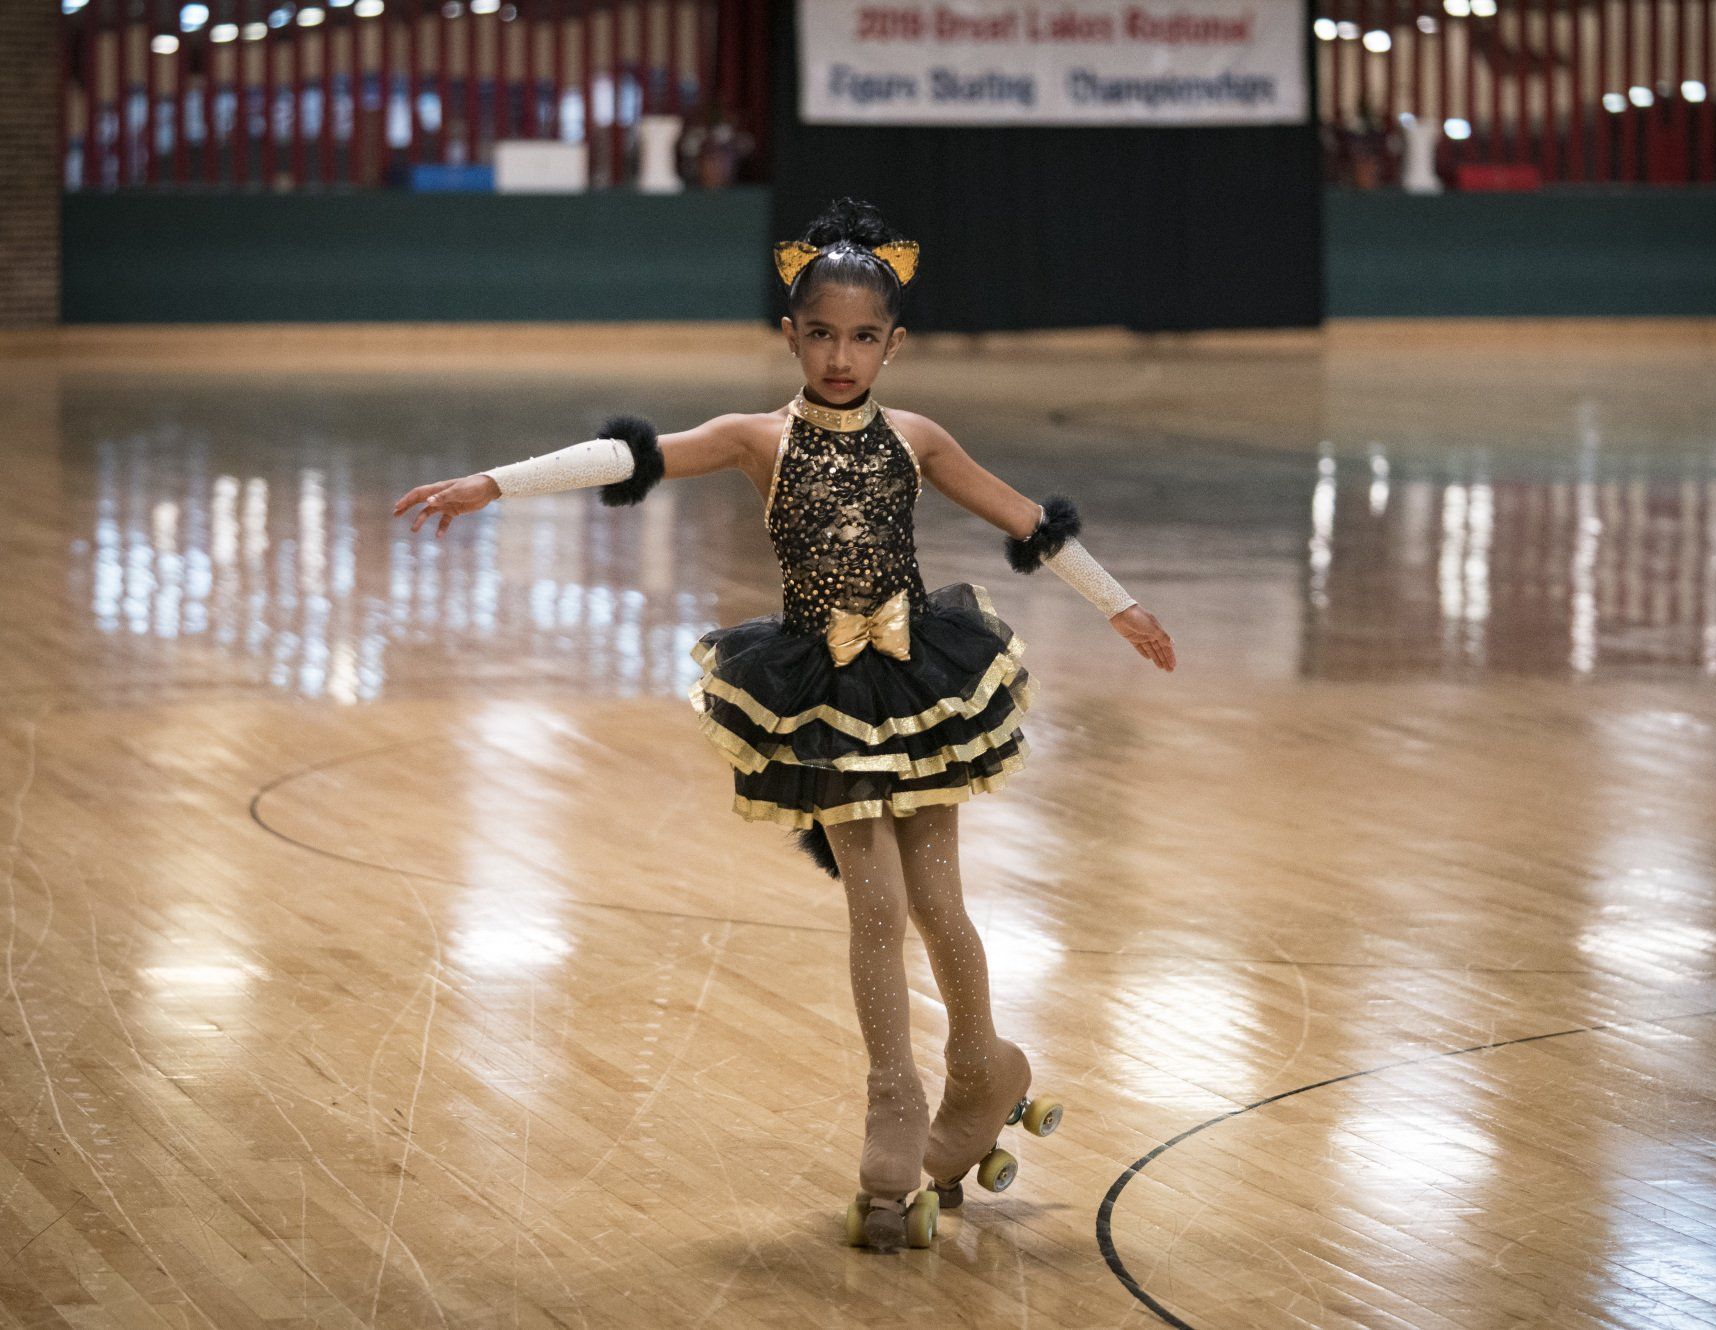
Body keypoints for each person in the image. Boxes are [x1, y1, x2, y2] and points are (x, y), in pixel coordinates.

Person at [393, 197, 1176, 1252]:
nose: (842, 355)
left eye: (864, 337)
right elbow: (634, 458)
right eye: (822, 333)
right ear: (790, 334)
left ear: (894, 343)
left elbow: (1025, 517)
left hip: (921, 680)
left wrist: (1118, 601)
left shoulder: (917, 438)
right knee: (877, 907)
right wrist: (496, 482)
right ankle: (894, 1101)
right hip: (823, 694)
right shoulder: (755, 438)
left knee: (941, 905)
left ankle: (983, 1069)